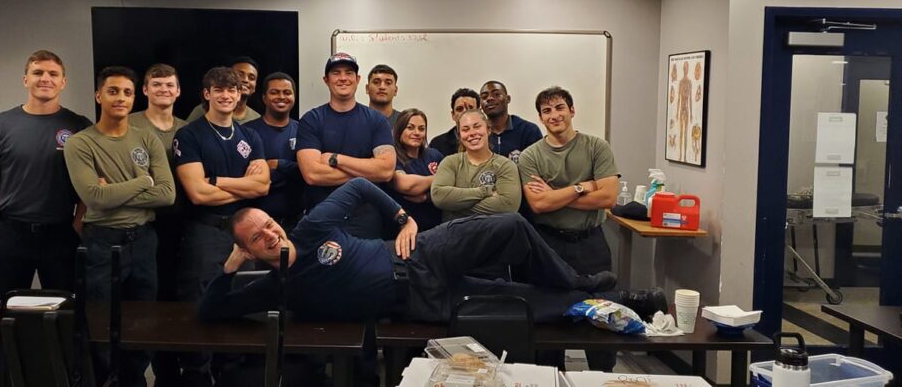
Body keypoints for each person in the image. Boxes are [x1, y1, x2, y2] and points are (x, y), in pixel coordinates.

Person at [198, 178, 667, 326]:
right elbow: (210, 311)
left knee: (510, 225)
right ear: (250, 251)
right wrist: (229, 266)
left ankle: (578, 280)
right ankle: (632, 301)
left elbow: (361, 185)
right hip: (421, 303)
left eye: (268, 224)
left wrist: (404, 218)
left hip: (420, 253)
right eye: (258, 238)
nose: (271, 234)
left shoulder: (309, 227)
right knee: (522, 301)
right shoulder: (274, 288)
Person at [63, 66, 176, 387]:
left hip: (143, 241)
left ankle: (134, 380)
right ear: (99, 95)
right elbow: (95, 197)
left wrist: (116, 191)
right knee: (98, 319)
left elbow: (167, 195)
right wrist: (143, 181)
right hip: (101, 242)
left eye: (127, 92)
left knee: (143, 319)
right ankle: (105, 381)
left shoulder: (147, 138)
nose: (121, 98)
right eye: (113, 91)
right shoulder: (80, 143)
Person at [172, 66, 269, 385]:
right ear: (207, 94)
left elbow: (262, 188)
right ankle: (199, 373)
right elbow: (197, 193)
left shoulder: (250, 135)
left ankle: (232, 372)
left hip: (243, 231)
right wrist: (244, 183)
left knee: (242, 297)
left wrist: (219, 181)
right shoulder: (189, 134)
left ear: (240, 94)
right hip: (206, 230)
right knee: (203, 298)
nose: (227, 95)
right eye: (219, 90)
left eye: (233, 90)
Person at [0, 50, 91, 305]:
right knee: (2, 314)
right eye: (38, 72)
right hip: (11, 233)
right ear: (26, 79)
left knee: (67, 316)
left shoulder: (80, 126)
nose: (45, 78)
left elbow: (89, 187)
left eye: (53, 74)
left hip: (61, 234)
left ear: (63, 82)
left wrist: (77, 226)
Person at [518, 86, 620, 372]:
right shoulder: (530, 156)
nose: (555, 115)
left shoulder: (596, 147)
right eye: (547, 111)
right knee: (552, 321)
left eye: (560, 107)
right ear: (540, 117)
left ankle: (602, 377)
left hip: (592, 244)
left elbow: (608, 197)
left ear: (572, 110)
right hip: (549, 244)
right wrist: (580, 187)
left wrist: (556, 195)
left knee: (601, 317)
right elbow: (538, 204)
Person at [127, 63, 187, 387]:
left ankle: (170, 374)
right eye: (157, 84)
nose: (164, 89)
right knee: (147, 302)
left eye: (169, 85)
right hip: (143, 225)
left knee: (178, 299)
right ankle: (138, 373)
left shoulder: (188, 127)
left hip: (183, 225)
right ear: (145, 90)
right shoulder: (129, 125)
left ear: (178, 91)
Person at [296, 53, 396, 239]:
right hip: (323, 219)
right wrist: (367, 173)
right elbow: (312, 174)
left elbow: (386, 170)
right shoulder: (311, 120)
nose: (343, 78)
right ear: (326, 80)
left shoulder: (377, 121)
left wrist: (336, 159)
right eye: (336, 73)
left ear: (357, 80)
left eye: (349, 73)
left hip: (367, 221)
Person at [430, 109, 521, 222]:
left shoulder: (505, 165)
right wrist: (485, 191)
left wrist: (455, 205)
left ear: (488, 129)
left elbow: (508, 205)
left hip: (494, 234)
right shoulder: (450, 162)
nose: (472, 133)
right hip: (455, 235)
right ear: (460, 135)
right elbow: (439, 196)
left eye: (477, 126)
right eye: (465, 129)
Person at [245, 72, 304, 227]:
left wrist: (278, 164)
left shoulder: (304, 131)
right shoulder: (247, 132)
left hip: (297, 221)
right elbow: (247, 178)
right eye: (274, 92)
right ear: (264, 98)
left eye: (287, 92)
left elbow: (308, 172)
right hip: (258, 222)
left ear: (294, 97)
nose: (281, 97)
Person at [389, 109, 444, 231]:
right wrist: (438, 178)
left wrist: (426, 197)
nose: (417, 133)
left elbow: (451, 186)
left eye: (421, 128)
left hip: (437, 227)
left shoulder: (434, 155)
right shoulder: (392, 158)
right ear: (399, 130)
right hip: (403, 230)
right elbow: (408, 186)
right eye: (410, 127)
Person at [480, 80, 542, 164]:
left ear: (508, 99)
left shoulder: (529, 130)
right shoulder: (477, 134)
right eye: (484, 97)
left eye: (496, 94)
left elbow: (539, 166)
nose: (489, 98)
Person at [186, 56, 262, 124]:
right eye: (240, 74)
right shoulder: (202, 111)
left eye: (251, 78)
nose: (246, 80)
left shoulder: (257, 119)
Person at [429, 88, 479, 156]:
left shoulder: (488, 140)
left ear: (479, 113)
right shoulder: (437, 144)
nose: (465, 112)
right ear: (453, 115)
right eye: (459, 109)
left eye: (470, 108)